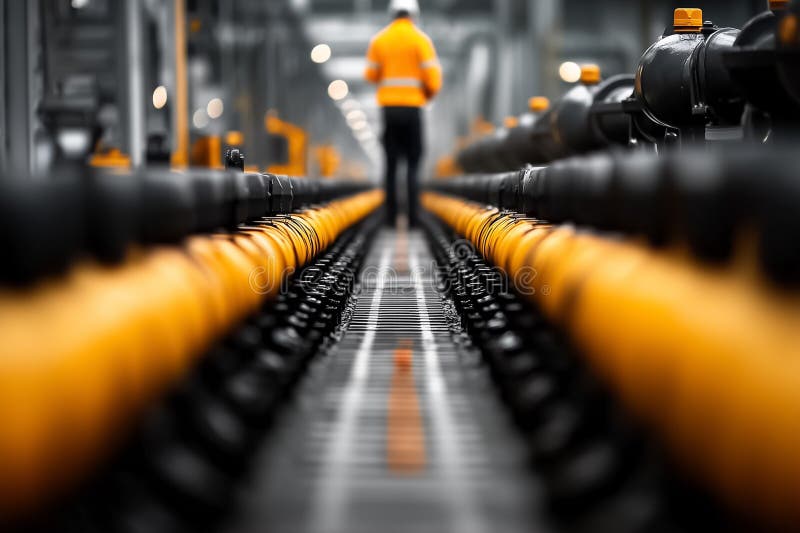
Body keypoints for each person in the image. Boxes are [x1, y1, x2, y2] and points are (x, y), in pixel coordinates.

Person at [364, 0, 442, 227]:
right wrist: (425, 95)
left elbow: (370, 74)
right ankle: (413, 218)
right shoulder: (421, 40)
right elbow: (433, 81)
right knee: (413, 163)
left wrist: (387, 81)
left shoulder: (380, 40)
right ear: (414, 15)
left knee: (390, 164)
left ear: (391, 14)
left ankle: (389, 218)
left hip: (389, 110)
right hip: (412, 109)